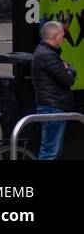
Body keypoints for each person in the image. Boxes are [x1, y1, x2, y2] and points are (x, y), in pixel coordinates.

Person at [32, 20, 78, 160]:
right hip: (53, 107)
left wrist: (68, 69)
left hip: (54, 106)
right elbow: (68, 79)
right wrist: (69, 70)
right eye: (62, 35)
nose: (64, 38)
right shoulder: (48, 55)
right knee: (50, 151)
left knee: (54, 151)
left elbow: (69, 71)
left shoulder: (47, 52)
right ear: (54, 36)